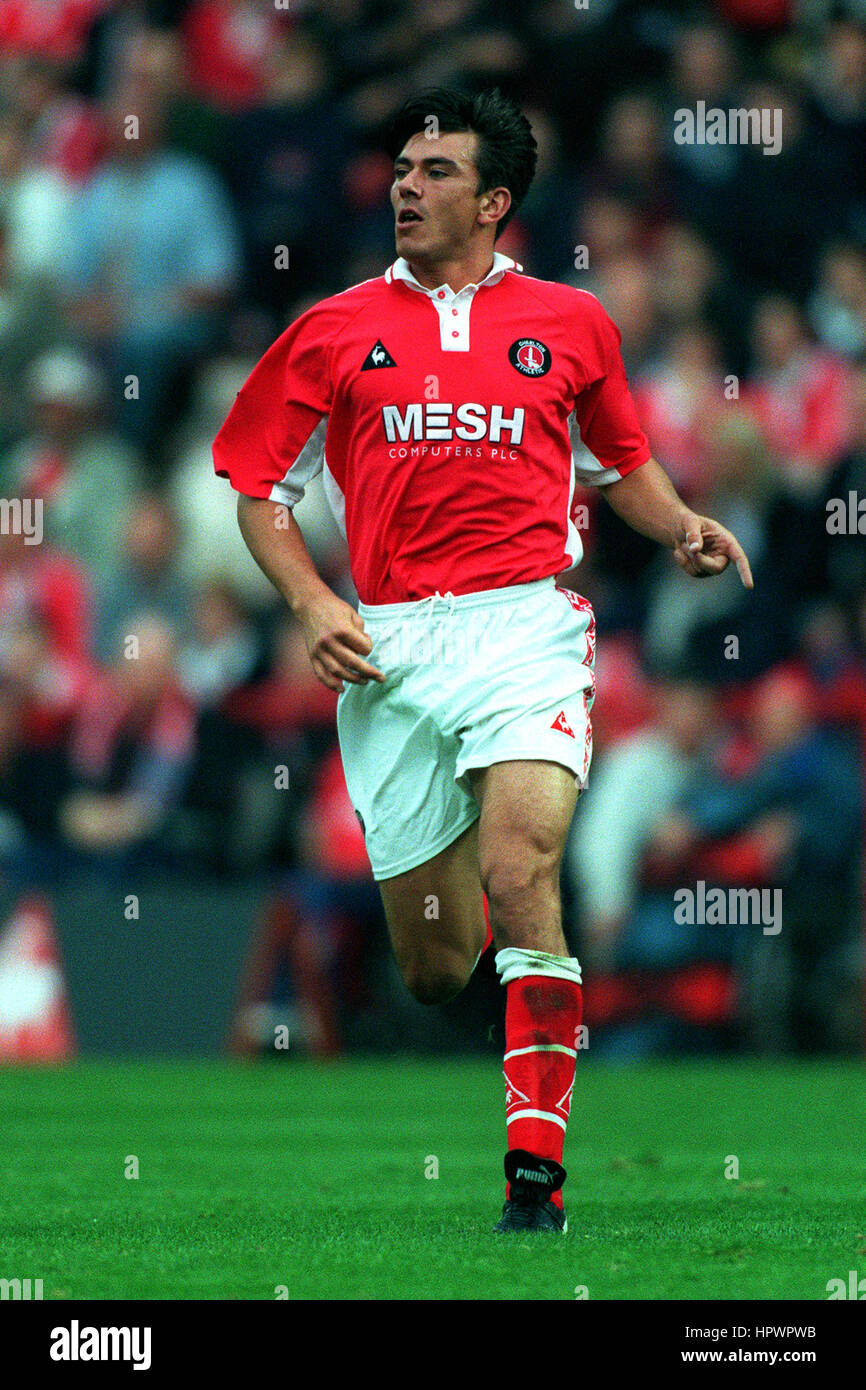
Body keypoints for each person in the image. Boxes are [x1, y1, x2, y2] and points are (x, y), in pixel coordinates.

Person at [213, 88, 753, 1235]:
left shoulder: (572, 323)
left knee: (524, 876)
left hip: (525, 629)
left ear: (494, 201)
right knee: (434, 962)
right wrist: (312, 599)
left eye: (436, 170)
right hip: (391, 649)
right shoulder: (331, 326)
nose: (405, 185)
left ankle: (533, 1180)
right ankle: (451, 904)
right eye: (402, 165)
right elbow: (257, 489)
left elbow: (619, 463)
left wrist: (682, 527)